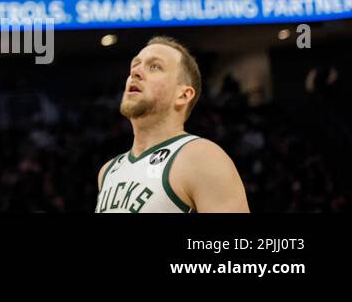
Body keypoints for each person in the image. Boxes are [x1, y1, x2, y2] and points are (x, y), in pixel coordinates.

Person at [96, 36, 249, 213]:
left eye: (154, 67)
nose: (135, 73)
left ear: (183, 95)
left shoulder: (202, 157)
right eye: (135, 65)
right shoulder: (108, 171)